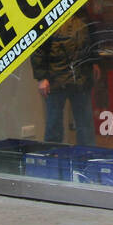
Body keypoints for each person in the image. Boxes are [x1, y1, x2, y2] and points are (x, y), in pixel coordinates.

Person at [32, 13, 97, 146]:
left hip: (78, 79)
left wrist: (94, 63)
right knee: (54, 126)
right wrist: (42, 77)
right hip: (56, 79)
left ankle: (86, 158)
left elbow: (91, 42)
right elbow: (38, 48)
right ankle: (53, 159)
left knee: (85, 126)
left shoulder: (82, 18)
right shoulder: (50, 17)